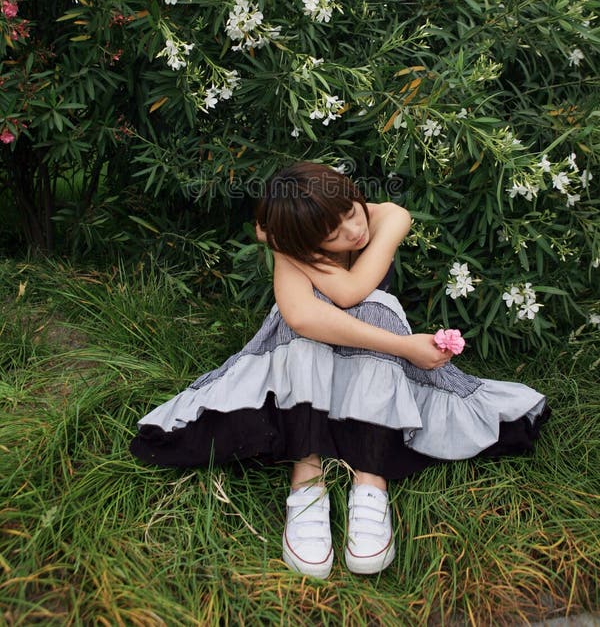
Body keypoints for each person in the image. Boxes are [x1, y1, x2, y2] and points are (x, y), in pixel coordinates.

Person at [130, 162, 549, 579]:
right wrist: (287, 249)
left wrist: (284, 247)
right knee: (303, 327)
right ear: (306, 239)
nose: (353, 231)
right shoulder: (294, 244)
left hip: (370, 356)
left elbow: (351, 293)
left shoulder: (389, 217)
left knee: (379, 307)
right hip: (308, 357)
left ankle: (371, 479)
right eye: (331, 235)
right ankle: (306, 476)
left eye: (351, 209)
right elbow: (303, 317)